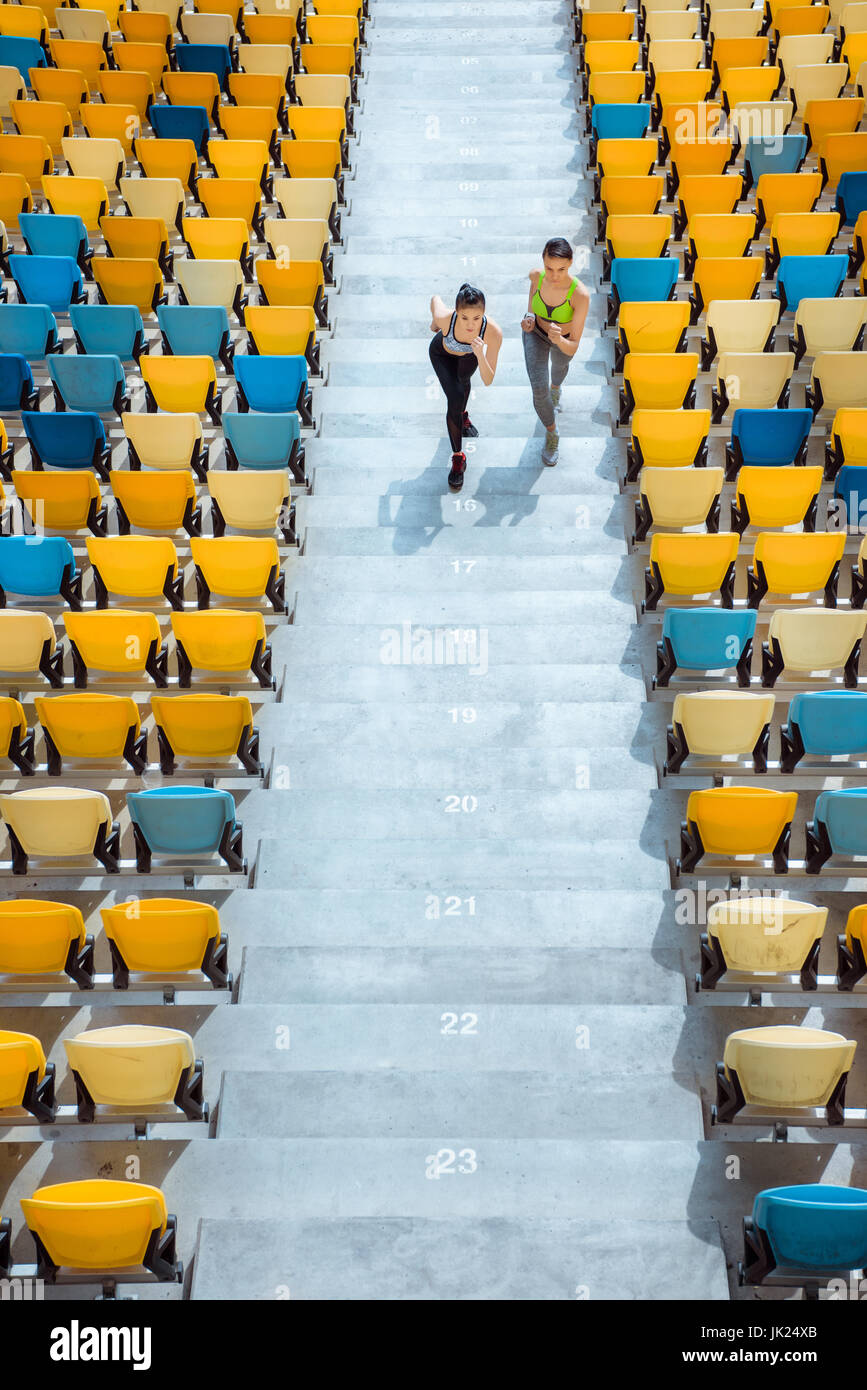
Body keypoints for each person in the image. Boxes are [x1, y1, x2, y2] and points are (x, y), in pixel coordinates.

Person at [521, 238, 590, 466]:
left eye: (561, 269)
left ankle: (557, 388)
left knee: (559, 369)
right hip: (536, 335)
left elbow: (575, 345)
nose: (554, 275)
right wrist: (530, 318)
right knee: (538, 390)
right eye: (549, 268)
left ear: (570, 263)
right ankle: (552, 432)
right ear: (543, 262)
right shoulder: (536, 276)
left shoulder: (580, 295)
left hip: (564, 340)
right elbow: (531, 302)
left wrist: (559, 338)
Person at [429, 283, 502, 491]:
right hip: (442, 354)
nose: (471, 325)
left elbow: (488, 380)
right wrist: (434, 323)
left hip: (470, 356)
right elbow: (435, 299)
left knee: (464, 381)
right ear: (456, 313)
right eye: (464, 318)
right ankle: (458, 458)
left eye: (476, 318)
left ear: (484, 314)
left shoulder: (493, 333)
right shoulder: (446, 318)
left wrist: (480, 354)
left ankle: (462, 415)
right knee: (456, 396)